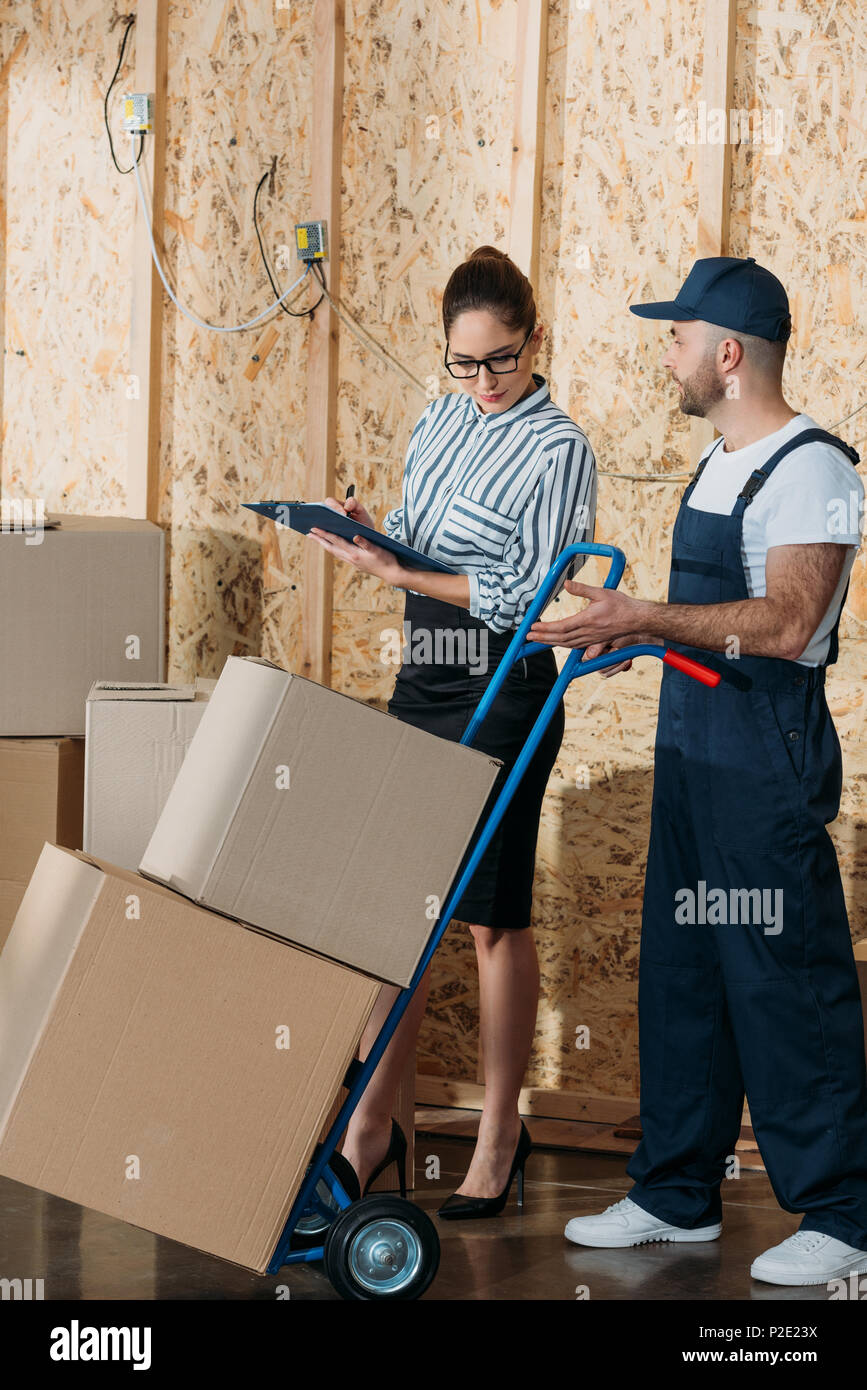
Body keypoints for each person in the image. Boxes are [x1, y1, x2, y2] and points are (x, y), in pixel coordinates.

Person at [528, 255, 867, 1286]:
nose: (666, 354)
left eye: (677, 337)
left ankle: (846, 1214)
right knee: (686, 976)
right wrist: (624, 637)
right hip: (693, 752)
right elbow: (705, 627)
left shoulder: (813, 466)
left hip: (764, 759)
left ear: (728, 354)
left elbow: (789, 620)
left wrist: (643, 613)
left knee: (781, 977)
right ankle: (678, 1192)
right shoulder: (720, 458)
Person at [306, 245, 597, 1218]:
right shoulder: (437, 418)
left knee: (487, 919)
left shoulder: (560, 448)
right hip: (424, 671)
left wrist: (402, 576)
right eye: (464, 364)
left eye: (500, 362)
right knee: (397, 915)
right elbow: (416, 533)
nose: (481, 383)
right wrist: (367, 534)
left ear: (534, 340)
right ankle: (371, 1126)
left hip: (505, 681)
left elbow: (526, 591)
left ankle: (498, 1138)